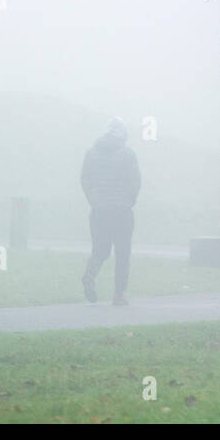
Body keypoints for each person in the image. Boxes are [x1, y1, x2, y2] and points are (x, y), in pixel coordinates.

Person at [80, 116, 141, 305]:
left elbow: (85, 180)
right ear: (123, 135)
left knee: (101, 249)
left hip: (99, 210)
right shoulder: (128, 154)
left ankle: (89, 275)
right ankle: (118, 295)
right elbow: (135, 181)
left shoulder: (91, 154)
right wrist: (129, 201)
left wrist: (94, 201)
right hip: (122, 211)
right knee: (122, 253)